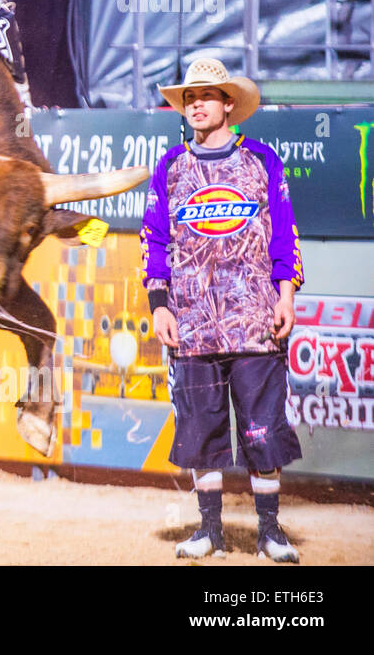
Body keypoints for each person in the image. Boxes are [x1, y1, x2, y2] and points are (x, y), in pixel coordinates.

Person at [140, 57, 305, 563]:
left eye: (207, 96)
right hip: (191, 328)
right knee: (200, 435)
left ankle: (270, 534)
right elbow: (154, 240)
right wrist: (159, 304)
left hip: (255, 326)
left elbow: (285, 232)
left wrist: (286, 293)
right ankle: (209, 531)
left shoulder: (262, 161)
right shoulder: (170, 167)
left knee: (262, 433)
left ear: (229, 105)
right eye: (190, 98)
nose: (196, 105)